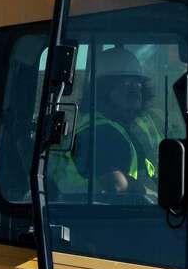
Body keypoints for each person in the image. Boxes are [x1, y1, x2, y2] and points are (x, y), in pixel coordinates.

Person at [48, 46, 161, 199]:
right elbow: (115, 183)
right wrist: (152, 195)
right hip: (90, 216)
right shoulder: (101, 132)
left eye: (137, 84)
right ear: (103, 91)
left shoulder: (124, 128)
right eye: (126, 85)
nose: (135, 92)